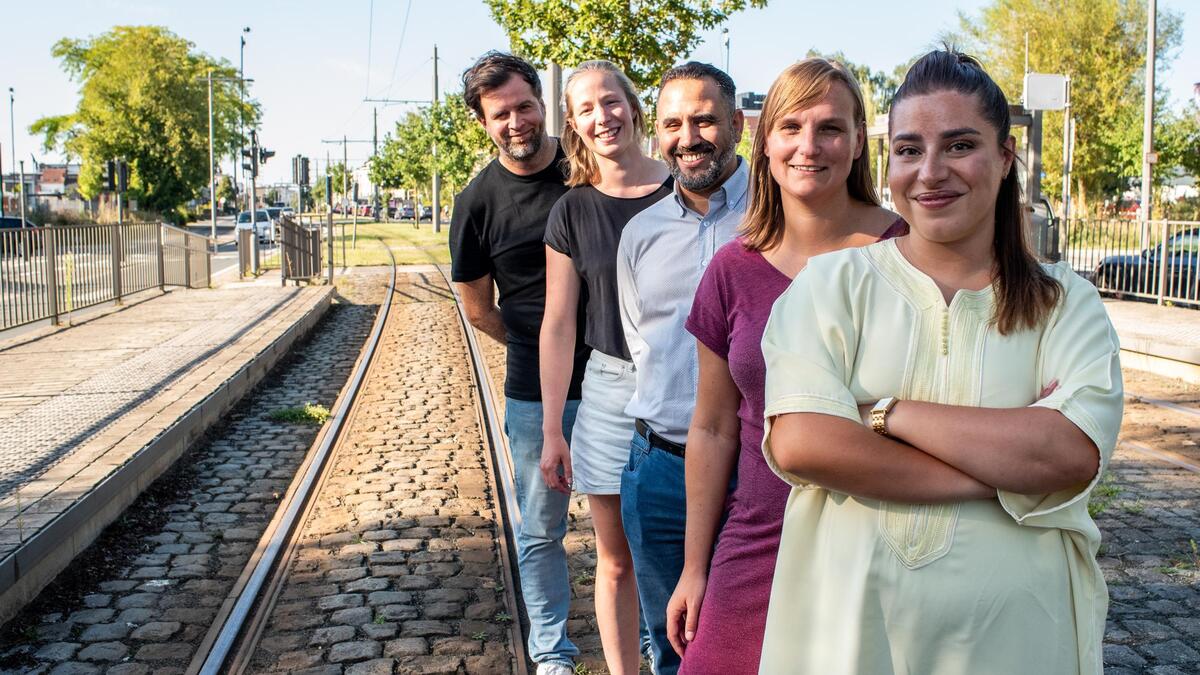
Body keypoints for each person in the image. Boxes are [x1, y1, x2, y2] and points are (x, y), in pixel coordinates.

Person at [758, 48, 1123, 674]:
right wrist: (1002, 472)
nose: (930, 172)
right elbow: (803, 443)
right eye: (907, 149)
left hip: (1020, 644)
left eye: (959, 146)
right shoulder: (830, 287)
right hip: (851, 640)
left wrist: (887, 414)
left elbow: (1065, 453)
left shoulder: (1065, 303)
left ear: (1006, 157)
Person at [665, 58, 906, 674]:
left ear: (857, 143)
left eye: (830, 128)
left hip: (888, 532)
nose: (808, 146)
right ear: (765, 140)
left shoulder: (907, 252)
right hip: (760, 537)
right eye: (791, 126)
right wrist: (696, 568)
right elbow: (715, 427)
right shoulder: (733, 268)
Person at [448, 51, 590, 675]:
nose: (516, 123)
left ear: (543, 101)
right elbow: (478, 309)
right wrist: (541, 343)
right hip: (536, 391)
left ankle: (653, 640)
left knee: (638, 522)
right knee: (540, 529)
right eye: (500, 114)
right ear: (484, 123)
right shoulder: (476, 201)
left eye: (525, 107)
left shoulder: (589, 164)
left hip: (623, 377)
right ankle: (552, 653)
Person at [539, 60, 672, 675]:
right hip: (610, 393)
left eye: (610, 101)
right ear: (574, 125)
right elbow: (560, 323)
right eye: (586, 109)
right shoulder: (571, 210)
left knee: (686, 554)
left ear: (634, 105)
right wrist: (551, 430)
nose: (602, 116)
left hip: (690, 386)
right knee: (615, 559)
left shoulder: (687, 187)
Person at [614, 62, 747, 675]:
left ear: (737, 124)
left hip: (758, 473)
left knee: (757, 643)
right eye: (673, 123)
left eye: (704, 119)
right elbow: (642, 343)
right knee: (673, 646)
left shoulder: (781, 219)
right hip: (660, 470)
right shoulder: (640, 234)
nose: (688, 137)